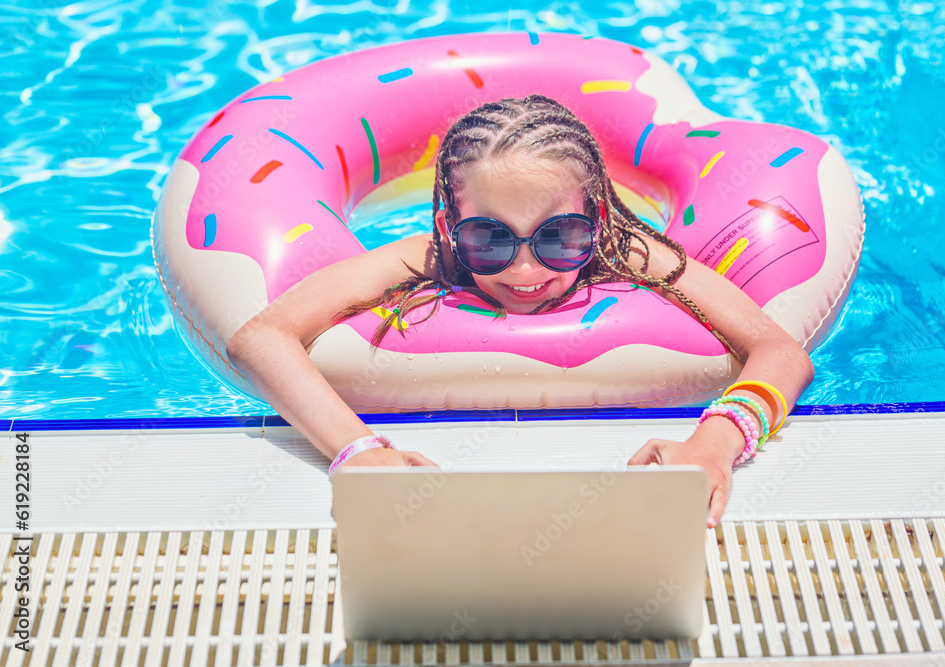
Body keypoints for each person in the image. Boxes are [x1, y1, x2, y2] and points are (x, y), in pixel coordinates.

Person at [226, 95, 814, 527]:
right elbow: (262, 337)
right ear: (447, 229)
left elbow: (780, 351)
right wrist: (358, 451)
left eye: (561, 238)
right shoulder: (425, 256)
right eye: (489, 240)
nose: (526, 271)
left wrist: (714, 443)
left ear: (599, 224)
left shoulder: (631, 252)